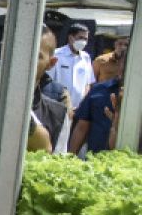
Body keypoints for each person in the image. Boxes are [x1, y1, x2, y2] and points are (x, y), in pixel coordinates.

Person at [69, 40, 127, 156]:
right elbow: (82, 127)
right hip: (96, 163)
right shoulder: (98, 91)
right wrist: (70, 157)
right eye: (124, 62)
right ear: (119, 64)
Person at [31, 26, 70, 154]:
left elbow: (56, 164)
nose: (24, 60)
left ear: (51, 63)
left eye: (36, 56)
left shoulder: (58, 115)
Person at [52, 22, 94, 111]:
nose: (83, 42)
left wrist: (83, 104)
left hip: (78, 109)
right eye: (80, 38)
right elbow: (49, 81)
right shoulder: (57, 55)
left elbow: (88, 83)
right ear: (71, 38)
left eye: (85, 39)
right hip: (58, 107)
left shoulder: (86, 58)